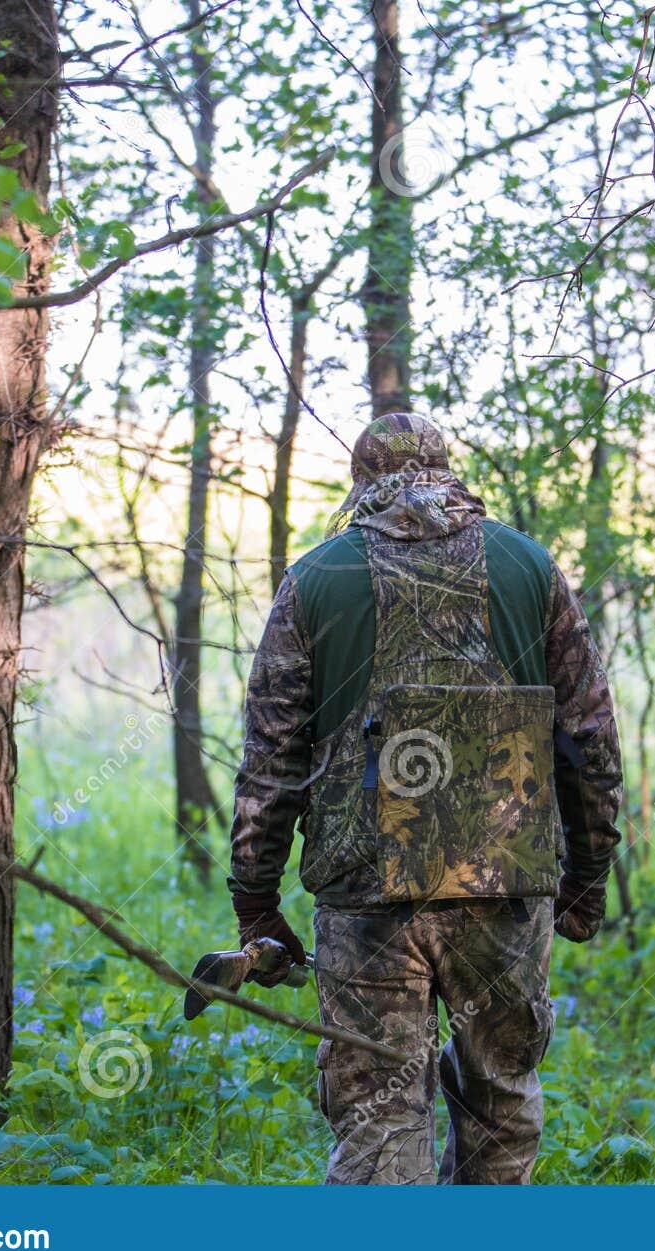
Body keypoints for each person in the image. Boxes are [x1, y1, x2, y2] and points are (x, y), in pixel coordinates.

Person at [226, 411, 623, 1184]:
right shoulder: (530, 567)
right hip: (504, 888)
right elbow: (591, 738)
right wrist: (588, 870)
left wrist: (255, 899)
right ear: (448, 472)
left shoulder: (315, 579)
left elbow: (270, 758)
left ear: (361, 484)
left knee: (380, 1118)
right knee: (500, 1104)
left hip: (366, 899)